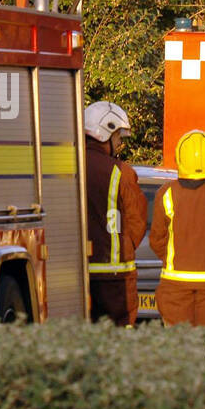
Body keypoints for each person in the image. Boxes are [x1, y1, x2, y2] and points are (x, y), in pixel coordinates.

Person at [149, 130, 205, 327]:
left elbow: (157, 239)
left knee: (180, 350)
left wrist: (175, 259)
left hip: (175, 287)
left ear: (180, 158)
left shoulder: (166, 193)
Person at [84, 101, 147, 326]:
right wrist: (124, 247)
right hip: (114, 277)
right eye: (118, 137)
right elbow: (137, 220)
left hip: (72, 274)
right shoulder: (122, 172)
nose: (119, 143)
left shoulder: (65, 165)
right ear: (105, 132)